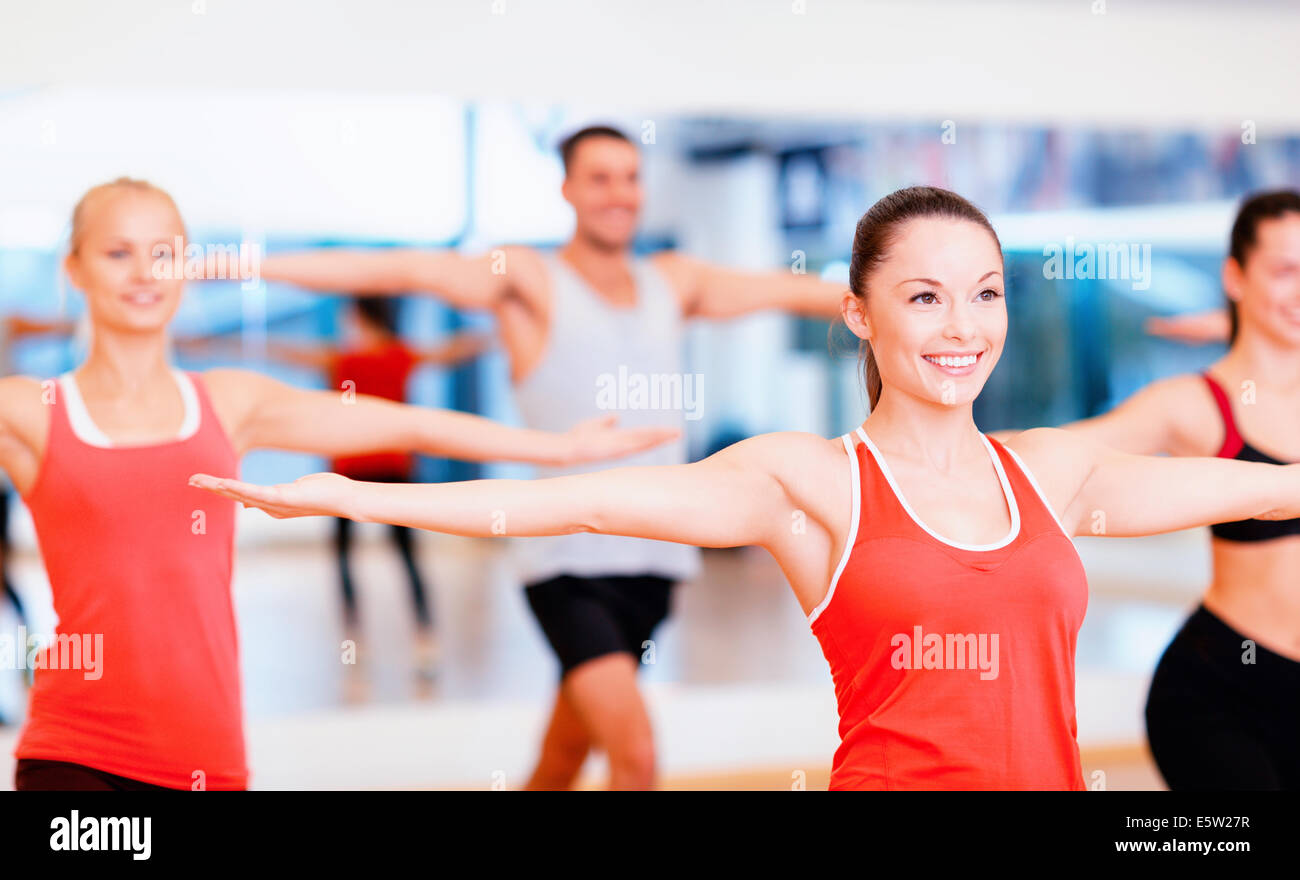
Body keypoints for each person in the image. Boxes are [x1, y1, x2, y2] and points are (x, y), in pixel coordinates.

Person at [193, 185, 1300, 791]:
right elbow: (573, 504)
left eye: (984, 294)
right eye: (923, 298)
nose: (963, 327)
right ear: (859, 316)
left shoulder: (1053, 470)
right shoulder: (806, 482)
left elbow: (1256, 491)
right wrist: (355, 497)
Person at [0, 177, 676, 791]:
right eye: (117, 253)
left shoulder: (229, 402)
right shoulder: (32, 411)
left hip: (206, 756)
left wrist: (555, 446)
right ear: (74, 270)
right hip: (75, 755)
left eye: (164, 253)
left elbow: (408, 425)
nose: (144, 272)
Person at [246, 125, 851, 790]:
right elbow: (400, 270)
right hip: (568, 564)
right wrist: (242, 264)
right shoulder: (528, 278)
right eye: (599, 178)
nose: (618, 193)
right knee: (636, 755)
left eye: (630, 176)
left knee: (563, 757)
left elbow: (796, 291)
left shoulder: (673, 281)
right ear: (566, 189)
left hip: (656, 563)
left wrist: (901, 300)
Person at [1001, 190, 1300, 789]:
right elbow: (1063, 453)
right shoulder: (1193, 405)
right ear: (1234, 276)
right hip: (1222, 692)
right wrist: (923, 453)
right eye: (1284, 271)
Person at [187, 298, 491, 686]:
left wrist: (216, 344)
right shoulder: (392, 356)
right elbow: (452, 349)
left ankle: (365, 638)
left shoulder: (349, 360)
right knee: (399, 559)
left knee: (357, 560)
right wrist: (496, 331)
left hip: (358, 478)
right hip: (373, 476)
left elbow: (282, 351)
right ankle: (418, 637)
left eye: (351, 320)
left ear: (362, 319)